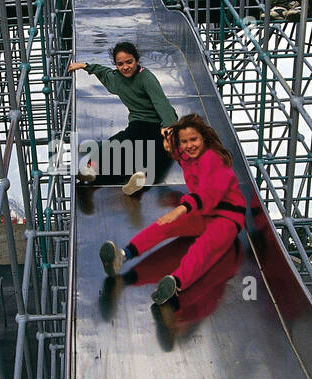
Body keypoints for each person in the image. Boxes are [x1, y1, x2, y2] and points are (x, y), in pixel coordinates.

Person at [99, 113, 247, 306]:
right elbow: (175, 150)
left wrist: (181, 208)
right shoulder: (187, 157)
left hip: (228, 217)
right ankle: (123, 255)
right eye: (184, 141)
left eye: (194, 139)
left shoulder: (212, 159)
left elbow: (209, 194)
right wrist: (166, 136)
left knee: (204, 247)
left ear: (204, 138)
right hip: (203, 212)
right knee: (164, 224)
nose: (189, 145)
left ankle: (176, 282)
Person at [67, 41, 177, 193]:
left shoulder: (146, 77)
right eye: (120, 64)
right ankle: (92, 170)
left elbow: (161, 102)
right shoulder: (116, 79)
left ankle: (140, 178)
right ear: (116, 65)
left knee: (156, 151)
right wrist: (84, 66)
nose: (125, 67)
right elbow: (103, 71)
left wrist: (169, 126)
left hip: (158, 123)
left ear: (137, 60)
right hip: (138, 123)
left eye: (129, 62)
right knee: (119, 145)